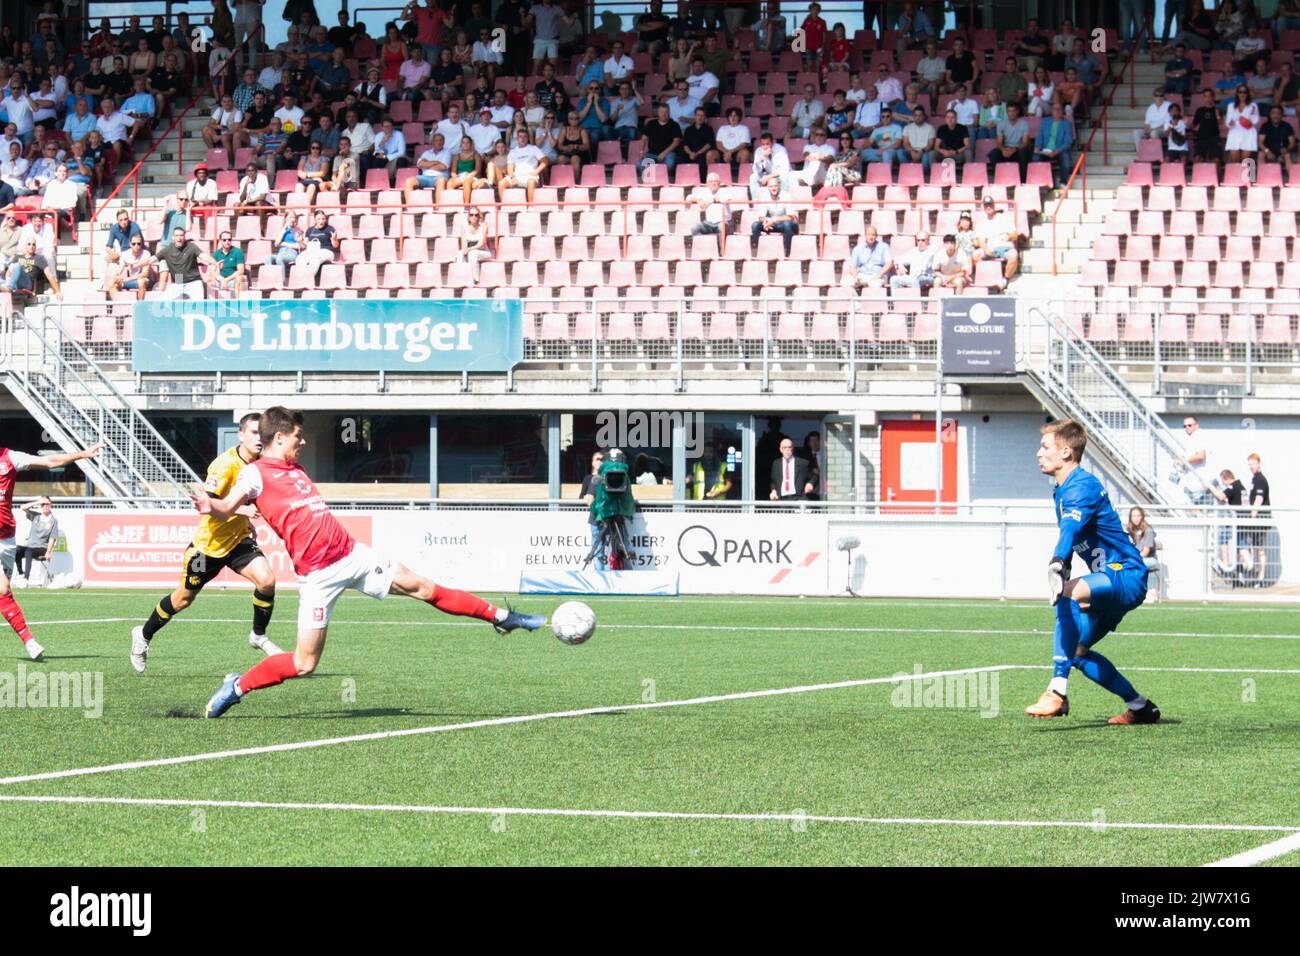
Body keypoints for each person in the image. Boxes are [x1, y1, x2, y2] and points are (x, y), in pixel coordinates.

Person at [195, 406, 546, 718]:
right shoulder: (255, 473)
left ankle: (503, 617)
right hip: (319, 576)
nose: (302, 442)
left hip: (353, 554)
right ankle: (237, 686)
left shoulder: (296, 468)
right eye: (298, 437)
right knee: (305, 664)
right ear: (281, 436)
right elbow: (227, 506)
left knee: (422, 586)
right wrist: (214, 506)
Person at [1025, 420, 1159, 725]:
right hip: (1110, 581)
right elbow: (1072, 534)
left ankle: (1057, 691)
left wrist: (1058, 563)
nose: (1038, 454)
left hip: (1126, 574)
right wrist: (1066, 562)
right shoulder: (1061, 490)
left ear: (1067, 452)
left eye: (1045, 447)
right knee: (1076, 652)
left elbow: (1070, 529)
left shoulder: (1082, 485)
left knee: (1065, 592)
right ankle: (1140, 707)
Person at [131, 412, 283, 673]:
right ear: (241, 435)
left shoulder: (261, 463)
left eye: (262, 433)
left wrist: (246, 520)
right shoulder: (224, 465)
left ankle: (258, 636)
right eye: (254, 433)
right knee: (182, 600)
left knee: (267, 581)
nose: (259, 438)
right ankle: (142, 636)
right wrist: (242, 511)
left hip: (238, 542)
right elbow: (204, 503)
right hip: (207, 548)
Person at [0, 441, 102, 660]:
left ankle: (28, 640)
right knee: (2, 588)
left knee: (4, 594)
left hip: (7, 538)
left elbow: (49, 461)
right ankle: (29, 640)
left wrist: (82, 454)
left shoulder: (10, 458)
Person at [157, 226, 216, 300]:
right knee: (163, 301)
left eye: (181, 235)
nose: (179, 238)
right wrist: (138, 265)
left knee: (199, 304)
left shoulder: (191, 247)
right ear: (173, 237)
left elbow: (203, 256)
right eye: (177, 235)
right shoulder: (168, 250)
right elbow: (151, 260)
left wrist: (215, 262)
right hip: (179, 280)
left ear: (184, 237)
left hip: (194, 281)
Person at [14, 496, 57, 584]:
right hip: (31, 546)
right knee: (17, 550)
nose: (45, 506)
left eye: (47, 504)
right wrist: (37, 502)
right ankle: (21, 573)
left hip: (42, 548)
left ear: (51, 506)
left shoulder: (53, 521)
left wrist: (49, 552)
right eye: (43, 504)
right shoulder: (36, 516)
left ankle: (26, 579)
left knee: (28, 551)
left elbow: (52, 538)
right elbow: (22, 507)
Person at [750, 177, 798, 256]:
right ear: (767, 187)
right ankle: (758, 251)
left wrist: (773, 219)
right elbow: (760, 216)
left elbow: (791, 217)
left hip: (787, 225)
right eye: (771, 186)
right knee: (755, 225)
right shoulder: (765, 196)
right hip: (771, 224)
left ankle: (788, 253)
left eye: (775, 186)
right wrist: (767, 221)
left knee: (787, 224)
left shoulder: (786, 196)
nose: (773, 188)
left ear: (779, 186)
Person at [579, 451, 608, 570]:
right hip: (596, 518)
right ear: (592, 463)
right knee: (598, 549)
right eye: (598, 459)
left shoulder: (609, 477)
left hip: (609, 516)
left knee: (615, 549)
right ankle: (601, 577)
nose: (600, 461)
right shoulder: (590, 479)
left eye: (602, 459)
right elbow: (584, 497)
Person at [110, 232, 155, 299]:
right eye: (133, 244)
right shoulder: (125, 254)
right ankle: (118, 306)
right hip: (131, 280)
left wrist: (128, 279)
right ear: (130, 244)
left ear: (141, 244)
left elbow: (144, 274)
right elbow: (119, 270)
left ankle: (140, 307)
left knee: (141, 281)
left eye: (138, 244)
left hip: (146, 280)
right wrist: (117, 277)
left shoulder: (146, 254)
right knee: (111, 282)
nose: (136, 246)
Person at [1224, 85, 1260, 166]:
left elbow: (1255, 120)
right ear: (1237, 93)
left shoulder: (1253, 105)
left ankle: (1246, 178)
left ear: (1248, 94)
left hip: (1248, 133)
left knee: (1245, 162)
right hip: (1235, 133)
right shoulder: (1231, 105)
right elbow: (1227, 122)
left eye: (1244, 92)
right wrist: (1230, 123)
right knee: (1235, 162)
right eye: (1240, 92)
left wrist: (1252, 114)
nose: (1242, 94)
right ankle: (1236, 178)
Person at [769, 436, 812, 501]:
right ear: (780, 449)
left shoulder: (802, 463)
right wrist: (773, 490)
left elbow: (813, 475)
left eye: (789, 447)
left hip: (798, 498)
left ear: (793, 448)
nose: (787, 450)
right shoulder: (776, 464)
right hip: (782, 499)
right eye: (784, 447)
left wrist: (810, 483)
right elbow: (773, 481)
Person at [209, 230, 246, 296]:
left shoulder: (238, 252)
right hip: (221, 280)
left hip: (233, 280)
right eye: (224, 240)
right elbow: (211, 271)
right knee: (209, 280)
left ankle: (238, 303)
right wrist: (220, 278)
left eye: (229, 239)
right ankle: (211, 304)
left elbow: (241, 271)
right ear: (220, 241)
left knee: (239, 278)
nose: (227, 242)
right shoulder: (216, 254)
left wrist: (226, 280)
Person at [1126, 506, 1159, 572]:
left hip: (1148, 559)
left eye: (1138, 516)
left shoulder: (1148, 530)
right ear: (1130, 518)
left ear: (1142, 517)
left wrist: (1132, 558)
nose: (1136, 518)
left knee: (1129, 565)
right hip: (1135, 558)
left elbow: (1145, 552)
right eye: (1134, 516)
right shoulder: (1129, 530)